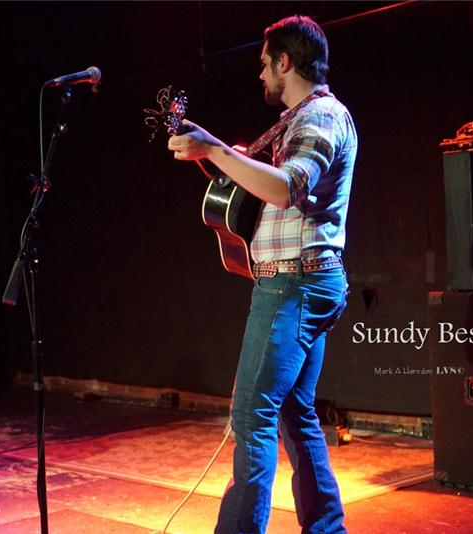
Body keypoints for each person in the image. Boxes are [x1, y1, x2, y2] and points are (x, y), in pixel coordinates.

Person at [168, 15, 356, 534]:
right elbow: (259, 185)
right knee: (296, 414)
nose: (260, 76)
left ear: (285, 62)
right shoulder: (298, 119)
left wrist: (217, 149)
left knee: (252, 417)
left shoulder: (319, 117)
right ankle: (326, 528)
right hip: (302, 283)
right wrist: (209, 151)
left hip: (294, 285)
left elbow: (286, 188)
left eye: (264, 64)